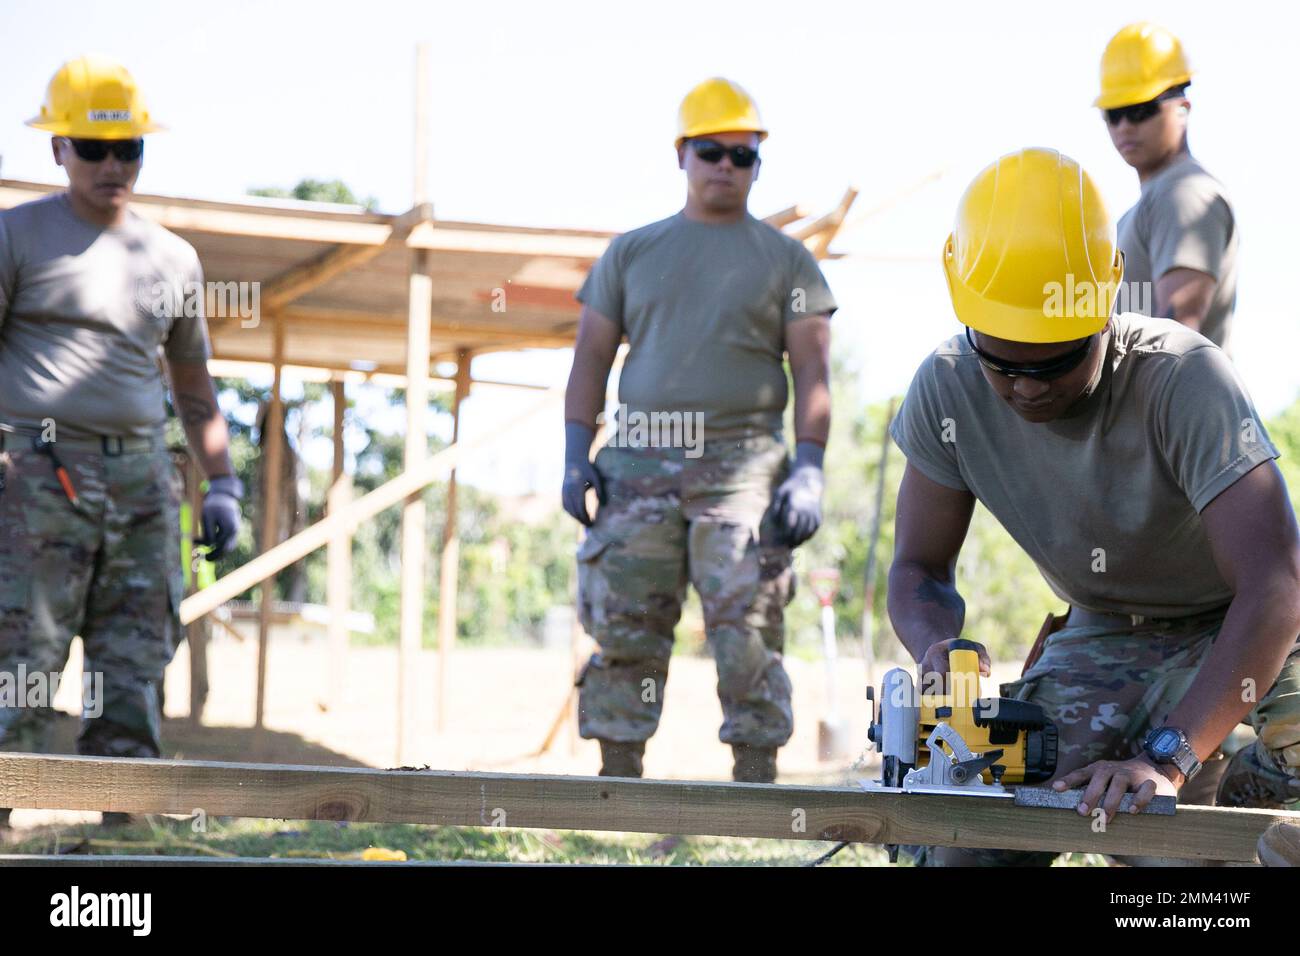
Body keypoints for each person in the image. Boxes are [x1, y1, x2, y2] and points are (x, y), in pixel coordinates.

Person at [886, 147, 1300, 865]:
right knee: (966, 838)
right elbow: (918, 567)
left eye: (1054, 361)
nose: (1026, 387)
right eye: (1002, 364)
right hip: (1103, 637)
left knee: (1210, 847)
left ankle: (1225, 809)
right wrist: (936, 649)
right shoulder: (946, 390)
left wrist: (1168, 758)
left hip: (1238, 625)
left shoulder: (1182, 377)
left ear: (1105, 306)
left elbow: (1277, 584)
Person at [563, 78, 837, 782]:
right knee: (626, 621)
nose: (726, 167)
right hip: (637, 466)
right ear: (682, 153)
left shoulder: (789, 263)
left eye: (742, 157)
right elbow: (591, 356)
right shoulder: (631, 253)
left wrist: (809, 466)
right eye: (711, 151)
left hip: (742, 470)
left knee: (746, 626)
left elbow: (813, 372)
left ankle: (755, 782)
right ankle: (618, 778)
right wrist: (573, 453)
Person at [0, 56, 242, 827]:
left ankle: (120, 835)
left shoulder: (171, 258)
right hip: (36, 478)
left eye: (129, 149)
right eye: (93, 148)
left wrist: (223, 482)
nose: (113, 165)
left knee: (133, 661)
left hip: (142, 482)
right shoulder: (17, 236)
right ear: (57, 149)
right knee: (22, 661)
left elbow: (193, 386)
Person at [1097, 22, 1238, 349]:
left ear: (1182, 109)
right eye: (1113, 114)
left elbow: (1175, 339)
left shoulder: (1185, 192)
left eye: (1140, 110)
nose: (1125, 126)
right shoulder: (1142, 209)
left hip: (1171, 399)